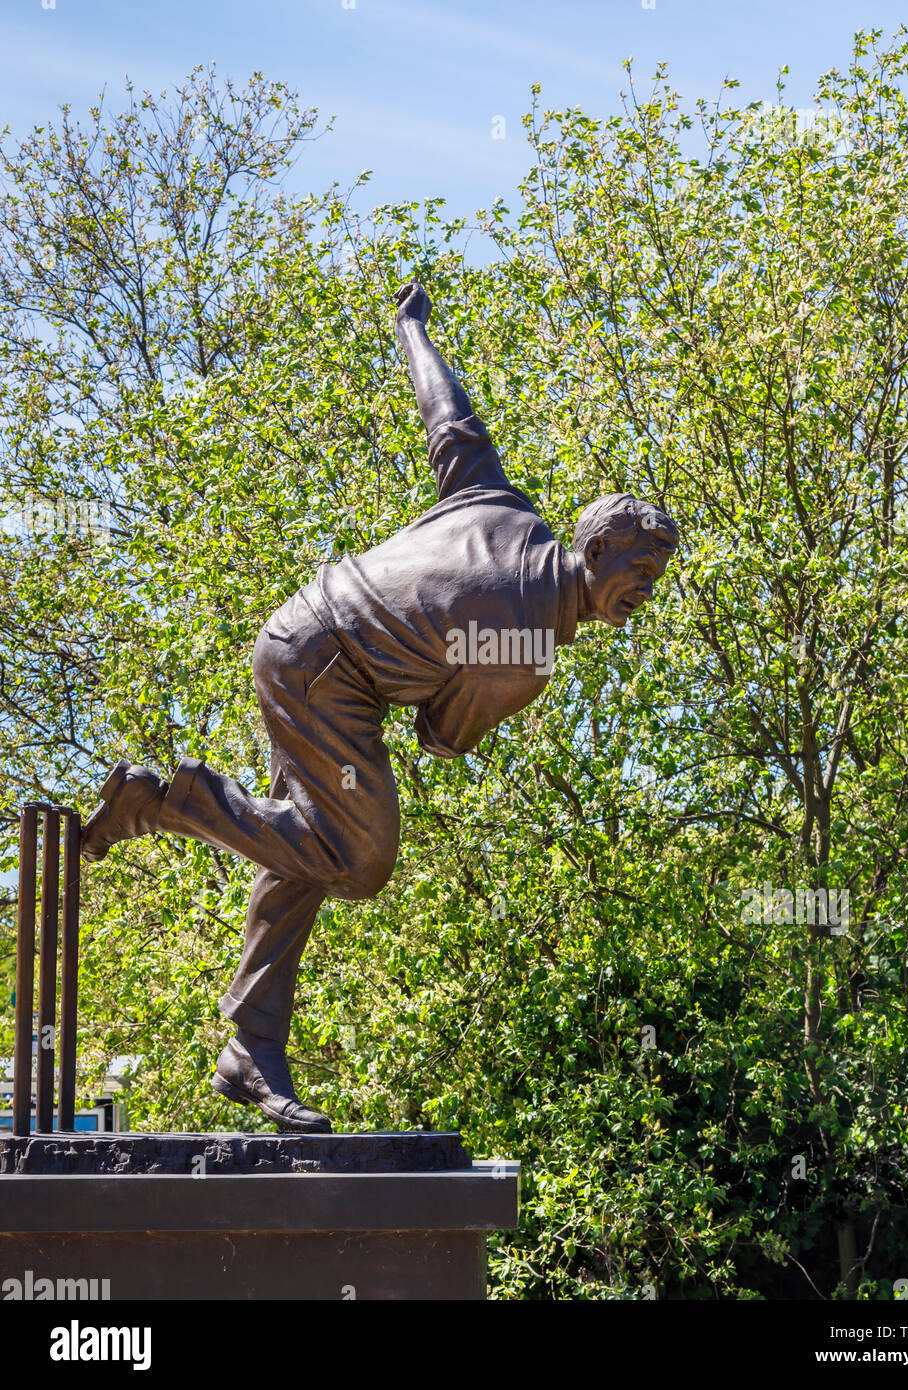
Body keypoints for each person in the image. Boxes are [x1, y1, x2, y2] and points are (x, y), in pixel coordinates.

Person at [81, 282, 679, 1131]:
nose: (643, 594)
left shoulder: (502, 508)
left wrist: (411, 329)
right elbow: (442, 735)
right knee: (359, 859)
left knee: (307, 846)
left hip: (305, 637)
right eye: (638, 573)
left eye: (654, 582)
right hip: (327, 673)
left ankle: (252, 1041)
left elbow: (450, 423)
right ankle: (166, 804)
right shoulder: (532, 651)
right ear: (596, 547)